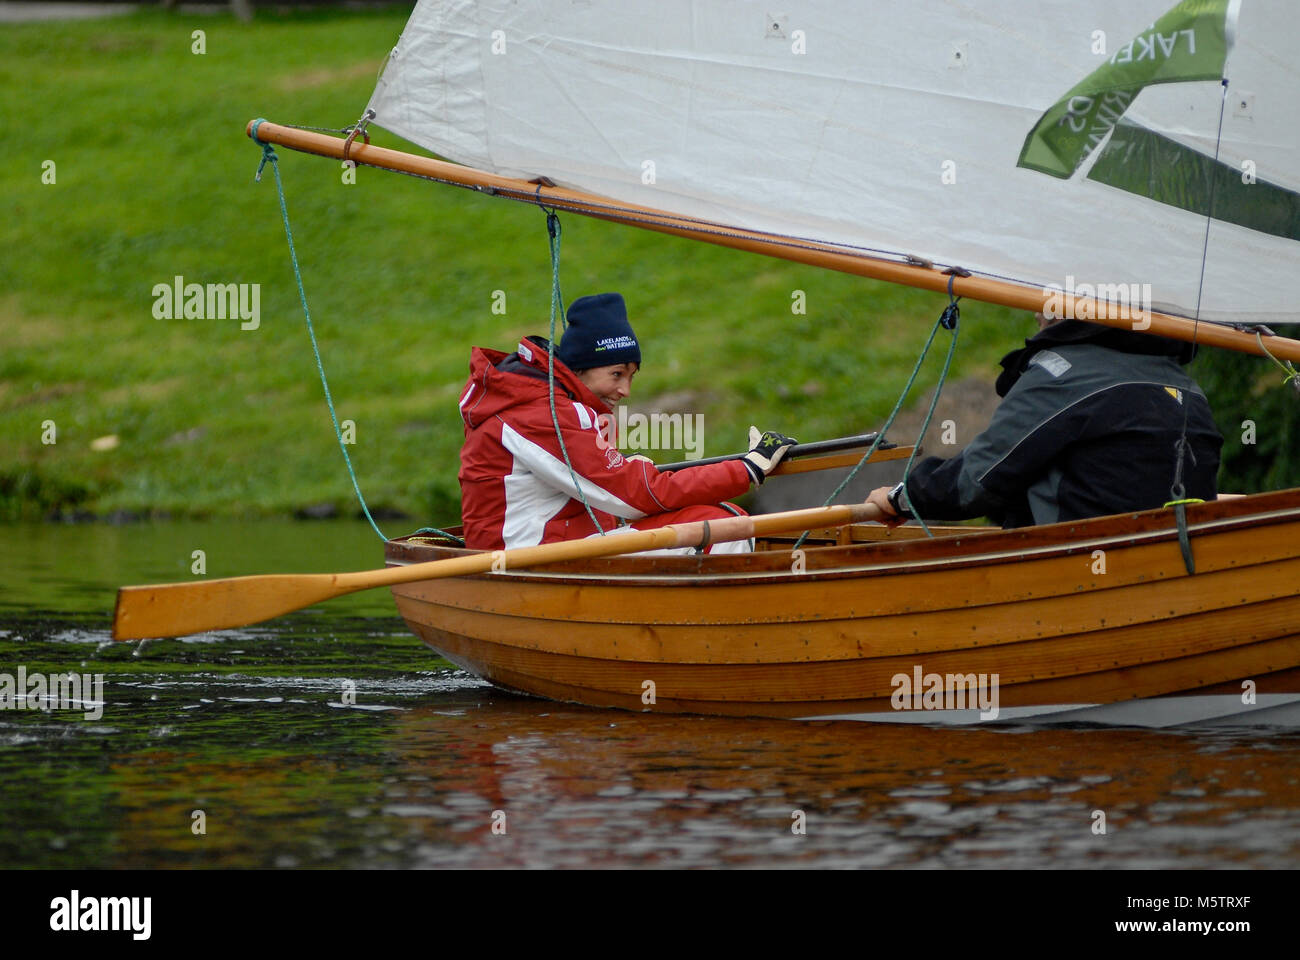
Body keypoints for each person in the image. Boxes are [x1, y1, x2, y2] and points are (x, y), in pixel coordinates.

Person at [458, 292, 796, 552]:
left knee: (725, 516)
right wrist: (746, 469)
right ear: (577, 371)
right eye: (616, 374)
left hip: (550, 550)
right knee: (723, 528)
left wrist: (631, 471)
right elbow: (635, 497)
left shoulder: (539, 401)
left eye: (631, 376)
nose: (625, 390)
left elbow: (617, 490)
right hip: (524, 565)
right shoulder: (541, 413)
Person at [867, 313, 1223, 527]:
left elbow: (976, 481)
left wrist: (905, 496)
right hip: (1174, 573)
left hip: (1079, 579)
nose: (1037, 312)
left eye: (1045, 294)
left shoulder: (1062, 372)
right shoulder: (1187, 386)